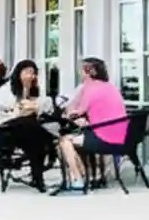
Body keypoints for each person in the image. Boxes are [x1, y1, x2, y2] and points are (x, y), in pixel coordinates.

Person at [53, 57, 127, 194]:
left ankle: (78, 180)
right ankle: (89, 176)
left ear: (89, 72)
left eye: (81, 70)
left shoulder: (89, 88)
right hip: (121, 137)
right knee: (79, 139)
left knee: (64, 141)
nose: (80, 73)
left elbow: (77, 111)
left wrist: (68, 114)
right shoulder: (111, 87)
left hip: (103, 138)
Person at [0, 59, 53, 191]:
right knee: (32, 129)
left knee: (34, 138)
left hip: (26, 130)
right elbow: (3, 111)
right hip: (4, 127)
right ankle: (39, 174)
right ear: (19, 73)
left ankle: (38, 176)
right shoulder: (6, 90)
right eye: (28, 72)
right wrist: (20, 109)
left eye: (33, 73)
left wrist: (34, 107)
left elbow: (43, 106)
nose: (31, 76)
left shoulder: (33, 90)